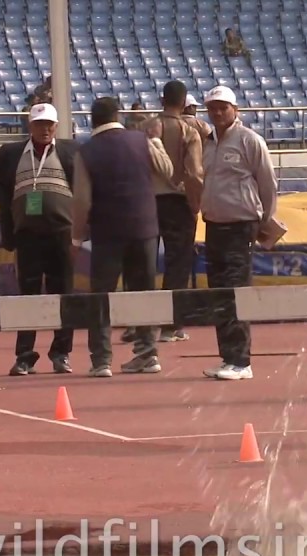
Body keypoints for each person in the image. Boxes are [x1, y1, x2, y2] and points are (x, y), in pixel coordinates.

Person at [70, 96, 174, 377]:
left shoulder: (86, 152)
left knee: (101, 296)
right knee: (143, 292)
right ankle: (147, 353)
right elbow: (168, 171)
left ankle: (101, 360)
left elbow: (81, 200)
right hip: (145, 229)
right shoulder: (142, 140)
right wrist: (156, 141)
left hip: (107, 232)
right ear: (118, 115)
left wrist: (77, 238)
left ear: (92, 120)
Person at [0, 103, 80, 376]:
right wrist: (8, 199)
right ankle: (24, 356)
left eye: (49, 124)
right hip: (27, 236)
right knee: (29, 296)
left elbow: (85, 186)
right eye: (39, 124)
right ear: (30, 126)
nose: (44, 129)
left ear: (56, 127)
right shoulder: (11, 152)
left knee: (64, 295)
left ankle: (61, 353)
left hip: (62, 235)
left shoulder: (71, 151)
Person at [200, 85, 281, 381]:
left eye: (223, 107)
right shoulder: (208, 143)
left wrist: (265, 220)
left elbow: (268, 184)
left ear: (235, 109)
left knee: (236, 290)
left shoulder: (249, 141)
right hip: (214, 225)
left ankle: (241, 360)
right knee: (219, 292)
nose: (218, 112)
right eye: (212, 108)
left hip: (240, 225)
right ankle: (228, 357)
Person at [141, 80, 206, 343]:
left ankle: (141, 324)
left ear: (161, 100)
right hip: (178, 201)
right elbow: (194, 172)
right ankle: (171, 325)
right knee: (178, 262)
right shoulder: (188, 131)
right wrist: (194, 205)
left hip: (147, 201)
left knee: (143, 263)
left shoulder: (144, 128)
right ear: (184, 102)